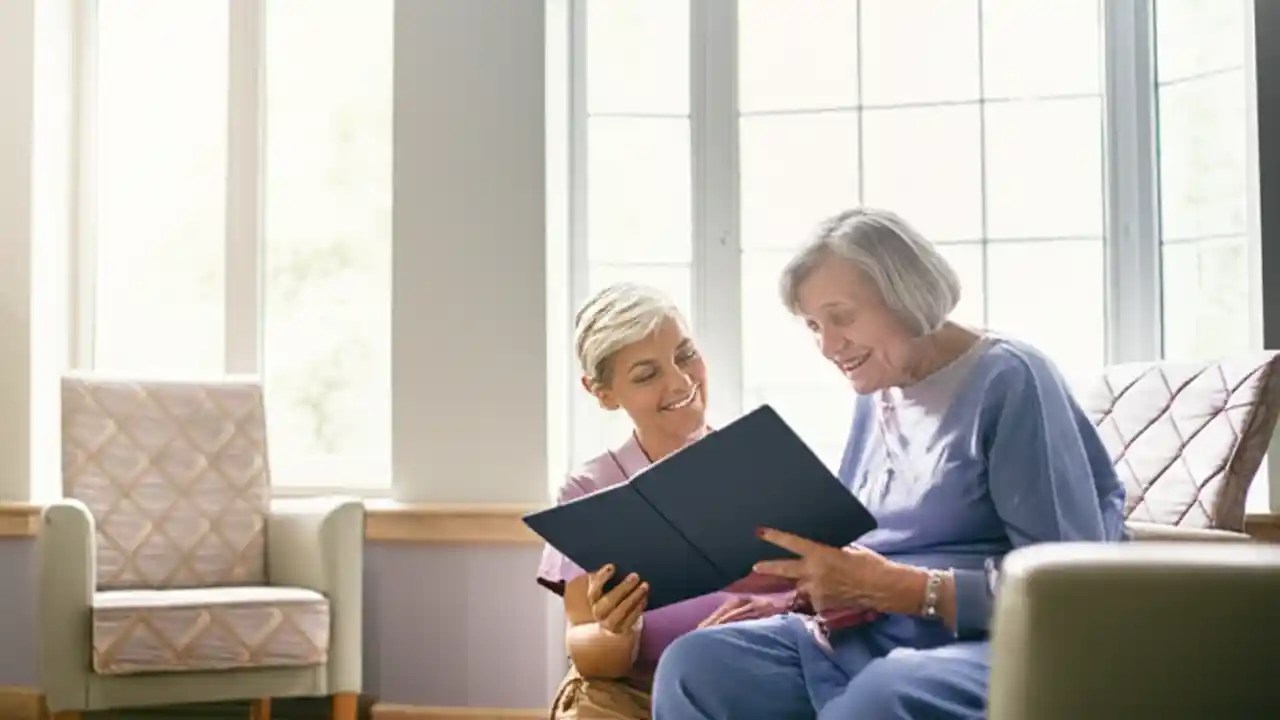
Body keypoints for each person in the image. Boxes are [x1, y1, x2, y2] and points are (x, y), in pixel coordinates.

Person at [650, 208, 1127, 719]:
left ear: (905, 294)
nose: (829, 346)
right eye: (814, 326)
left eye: (842, 317)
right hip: (870, 632)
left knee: (878, 698)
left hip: (994, 644)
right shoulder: (878, 389)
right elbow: (872, 550)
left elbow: (1066, 590)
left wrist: (900, 589)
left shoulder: (1010, 380)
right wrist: (801, 585)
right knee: (696, 665)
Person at [537, 282, 789, 719]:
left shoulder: (764, 462)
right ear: (603, 393)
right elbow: (584, 644)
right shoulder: (588, 491)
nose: (680, 380)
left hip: (755, 677)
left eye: (685, 353)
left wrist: (772, 613)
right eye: (647, 374)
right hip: (637, 690)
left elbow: (829, 593)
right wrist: (620, 631)